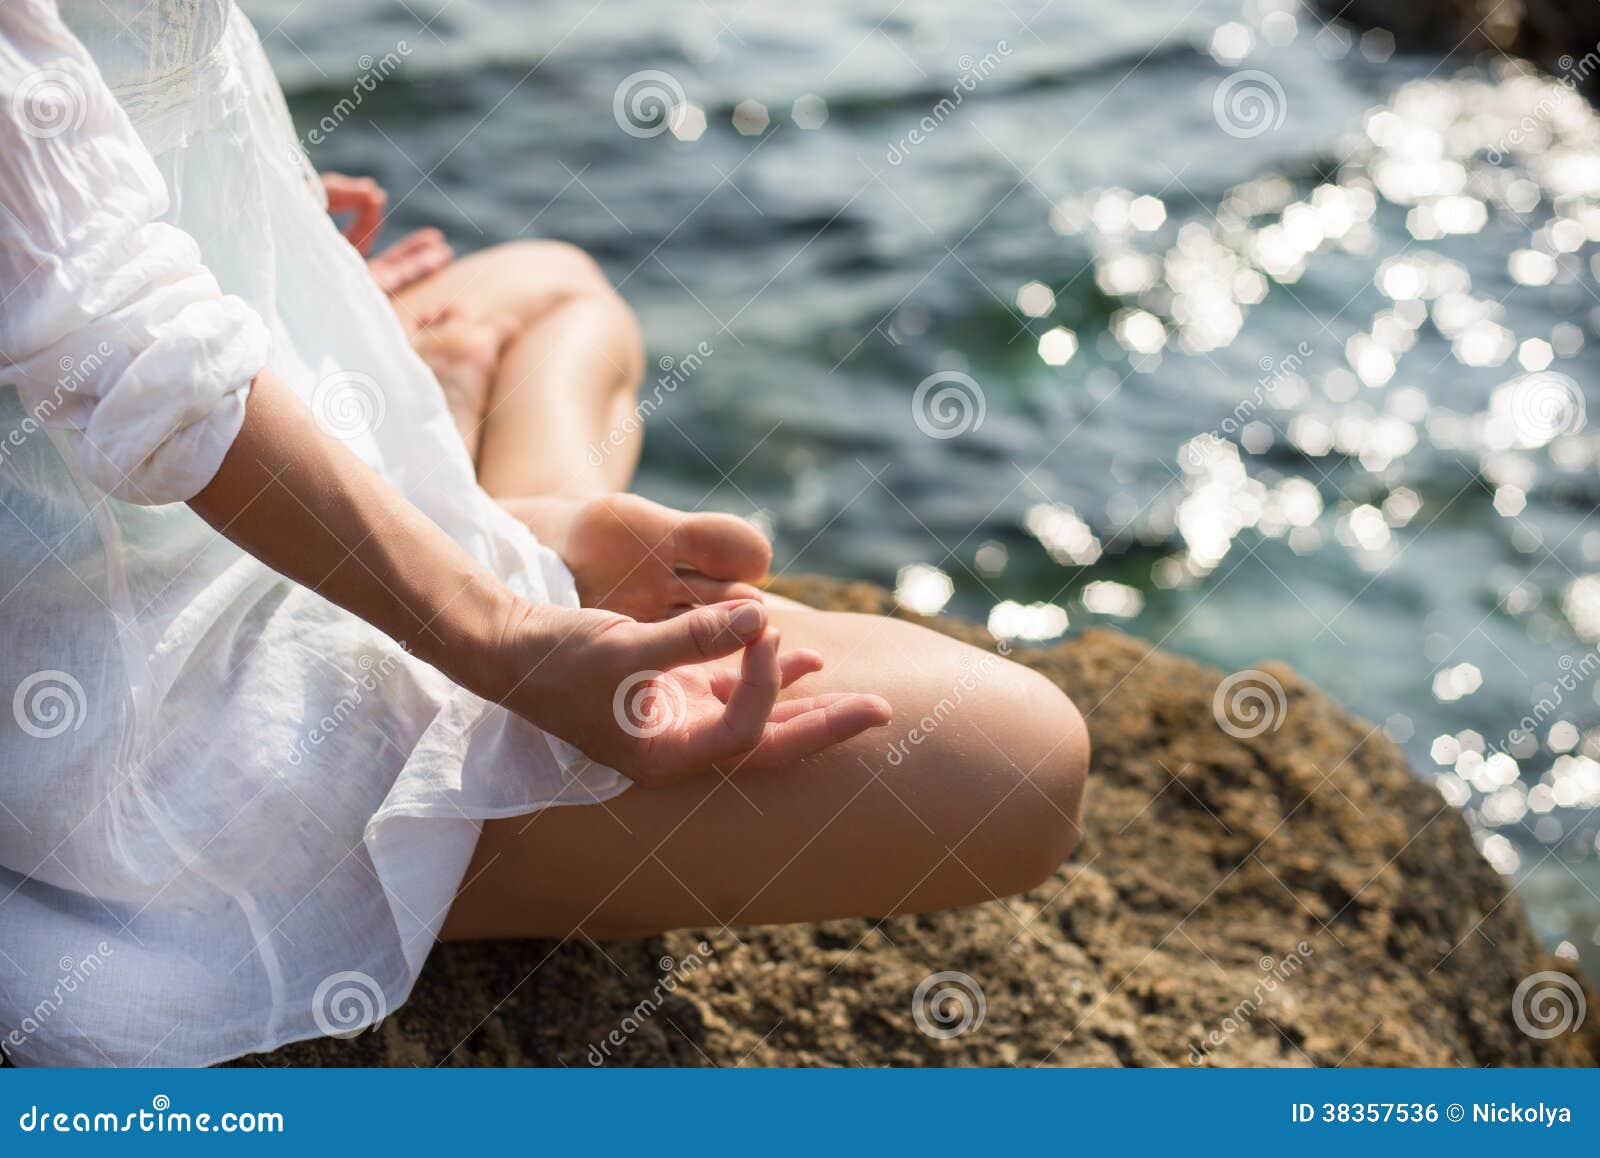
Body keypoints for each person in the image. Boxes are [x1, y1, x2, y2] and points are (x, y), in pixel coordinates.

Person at [0, 0, 1088, 1066]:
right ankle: (490, 567)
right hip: (128, 660)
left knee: (549, 289)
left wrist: (243, 220)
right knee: (1011, 761)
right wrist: (503, 635)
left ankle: (511, 521)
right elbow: (124, 351)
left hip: (151, 467)